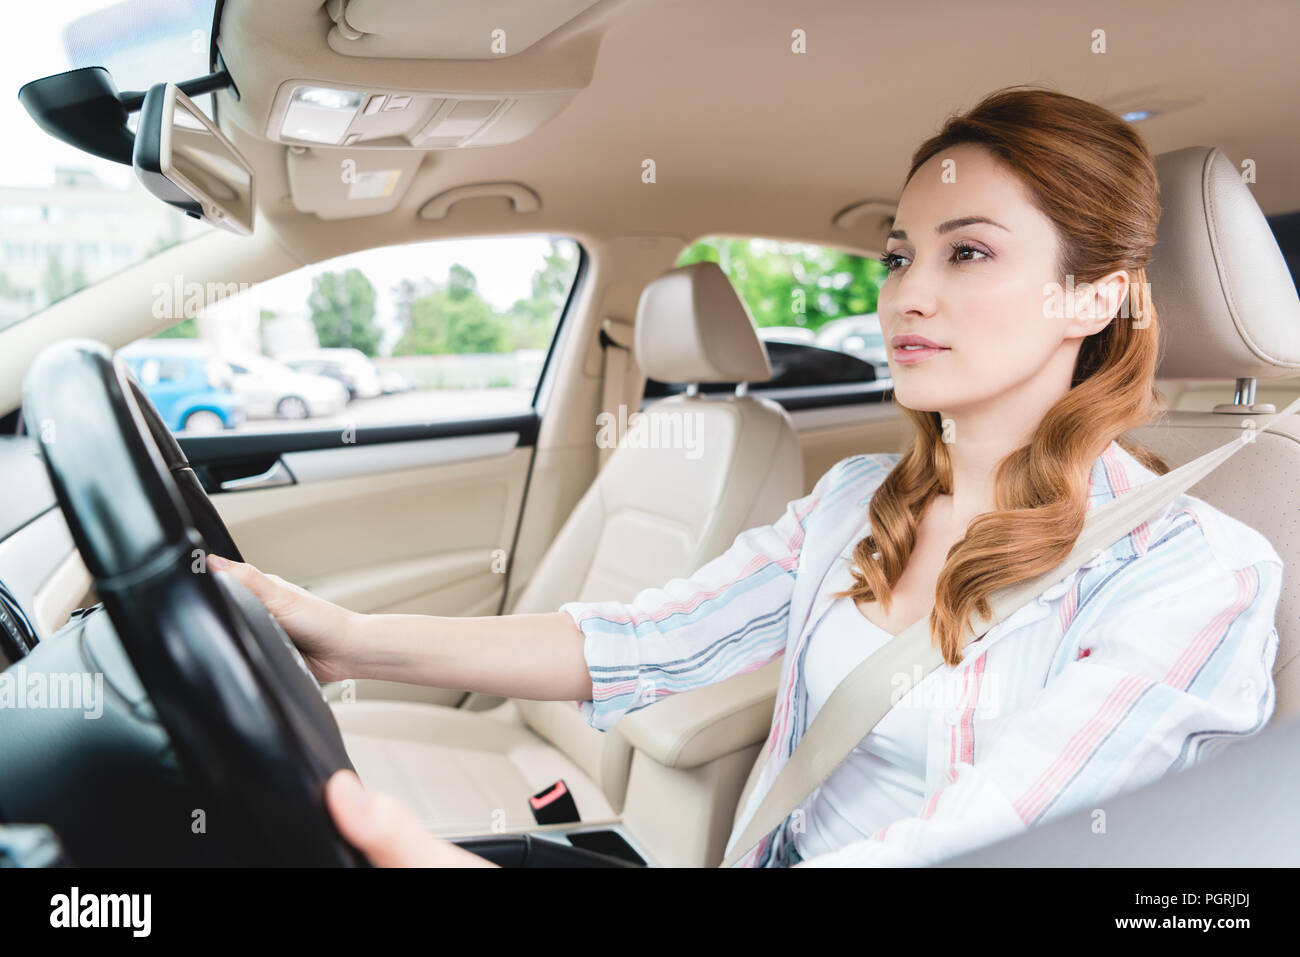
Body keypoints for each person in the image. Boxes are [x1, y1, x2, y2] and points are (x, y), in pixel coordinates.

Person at [209, 84, 1283, 868]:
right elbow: (645, 641)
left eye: (967, 253)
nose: (906, 294)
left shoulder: (1193, 574)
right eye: (899, 254)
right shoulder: (858, 501)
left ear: (1092, 297)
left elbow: (993, 839)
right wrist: (345, 635)